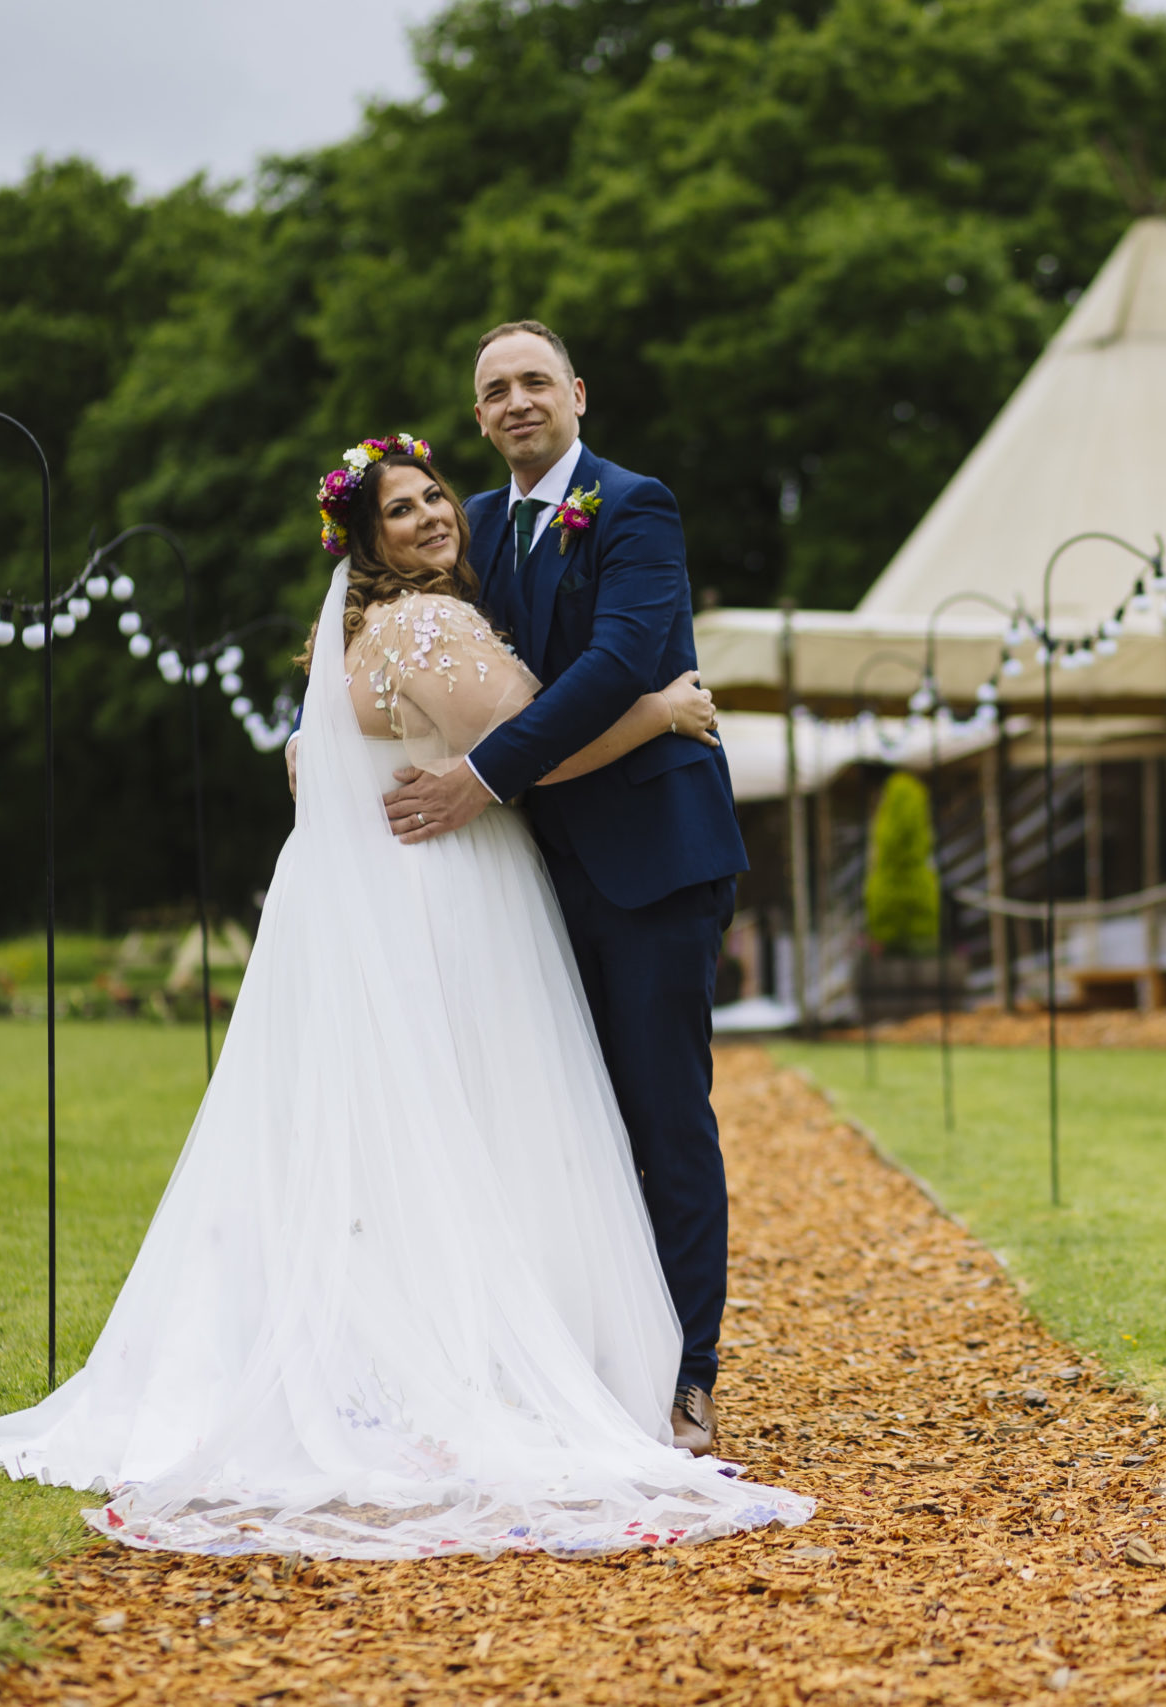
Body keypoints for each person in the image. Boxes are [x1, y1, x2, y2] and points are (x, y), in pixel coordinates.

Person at [0, 434, 810, 1560]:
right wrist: (661, 711)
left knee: (428, 1139)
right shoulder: (427, 623)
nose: (428, 515)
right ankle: (522, 1366)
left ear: (572, 397)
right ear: (366, 543)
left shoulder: (377, 626)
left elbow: (339, 752)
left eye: (430, 497)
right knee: (497, 1129)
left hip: (421, 893)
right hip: (454, 896)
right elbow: (538, 750)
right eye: (400, 509)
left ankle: (513, 1359)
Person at [379, 322, 748, 1457]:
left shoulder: (636, 506)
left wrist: (485, 775)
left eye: (535, 380)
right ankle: (587, 1362)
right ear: (478, 419)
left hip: (651, 863)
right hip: (527, 887)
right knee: (557, 1125)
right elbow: (388, 630)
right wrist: (327, 738)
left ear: (577, 394)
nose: (517, 400)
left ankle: (687, 1375)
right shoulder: (472, 530)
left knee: (659, 1120)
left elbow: (622, 660)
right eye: (496, 390)